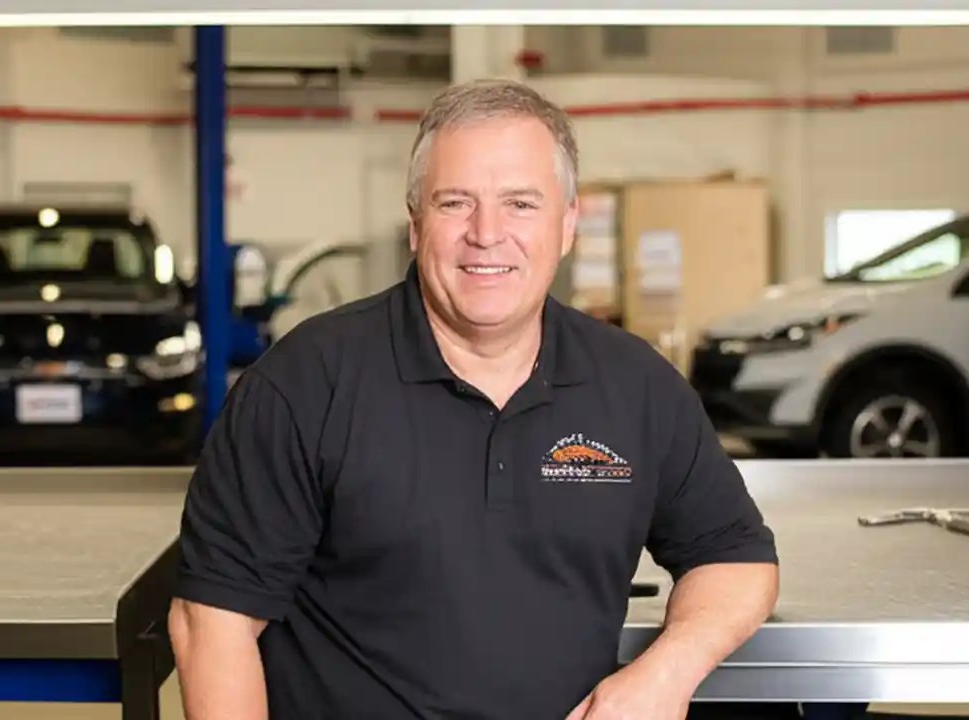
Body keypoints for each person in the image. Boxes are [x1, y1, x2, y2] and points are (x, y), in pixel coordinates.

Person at [169, 78, 780, 720]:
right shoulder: (305, 383)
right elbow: (211, 625)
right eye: (455, 203)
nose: (487, 234)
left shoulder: (637, 386)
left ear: (567, 224)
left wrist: (666, 672)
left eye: (521, 203)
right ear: (415, 224)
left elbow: (734, 558)